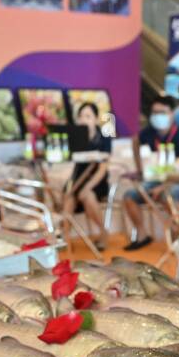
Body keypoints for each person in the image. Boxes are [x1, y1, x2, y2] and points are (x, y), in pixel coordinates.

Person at [122, 95, 179, 251]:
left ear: (171, 113)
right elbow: (135, 141)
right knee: (129, 196)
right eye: (154, 112)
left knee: (165, 196)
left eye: (162, 112)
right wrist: (139, 169)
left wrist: (164, 187)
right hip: (156, 179)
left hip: (178, 181)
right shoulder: (149, 132)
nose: (157, 116)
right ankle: (142, 236)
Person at [63, 102, 112, 250]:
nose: (84, 120)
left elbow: (103, 167)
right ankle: (65, 238)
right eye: (81, 116)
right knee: (68, 196)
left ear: (96, 119)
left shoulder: (104, 136)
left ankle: (104, 233)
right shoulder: (76, 136)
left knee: (87, 195)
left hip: (97, 180)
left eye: (88, 116)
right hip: (79, 177)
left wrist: (88, 186)